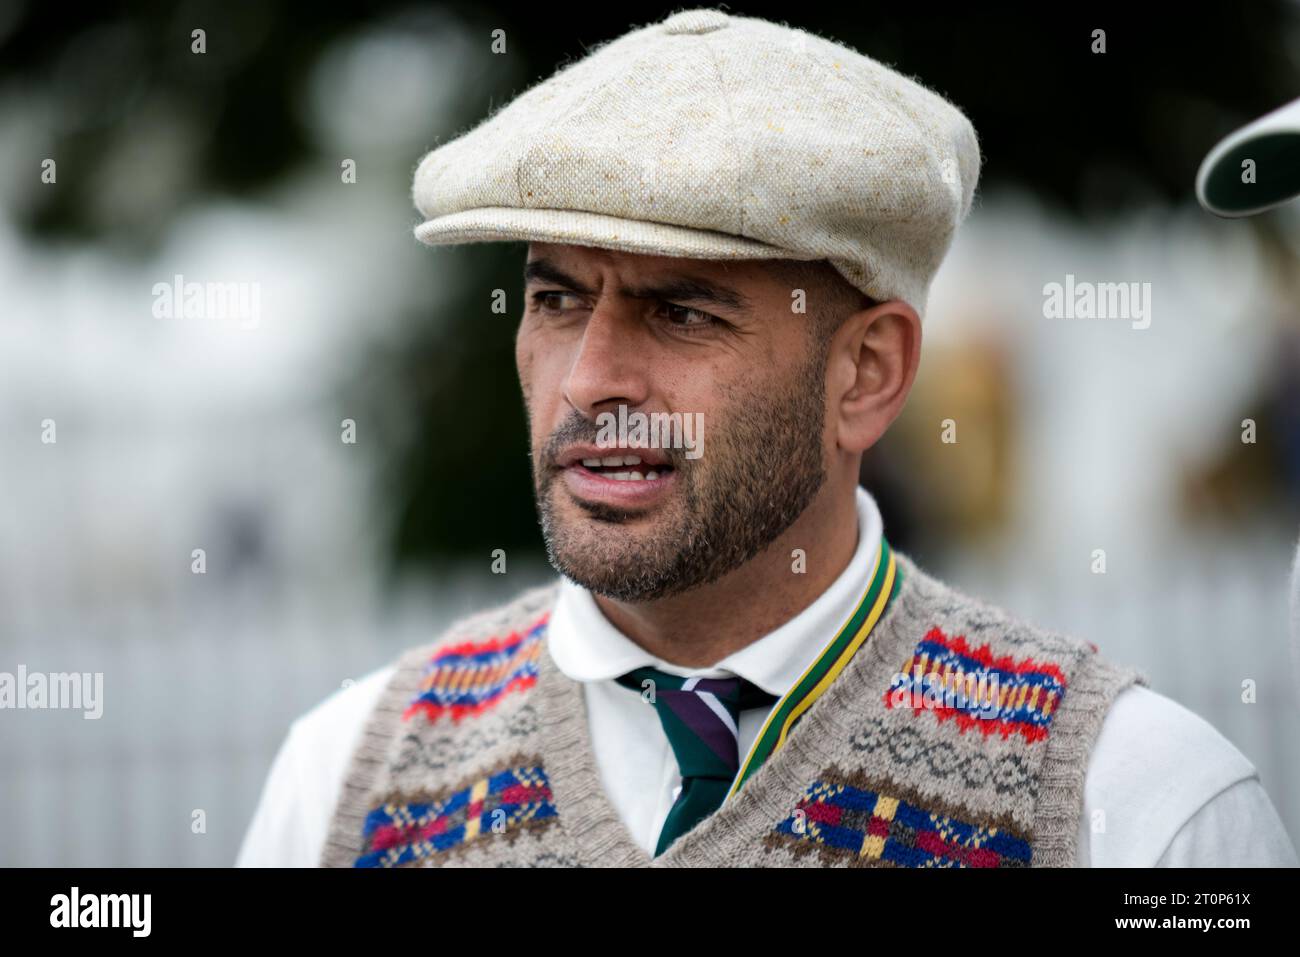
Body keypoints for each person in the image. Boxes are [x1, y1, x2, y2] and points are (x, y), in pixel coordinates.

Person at [237, 8, 1297, 868]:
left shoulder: (1129, 805)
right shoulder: (348, 784)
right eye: (557, 300)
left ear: (865, 373)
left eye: (683, 312)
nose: (590, 379)